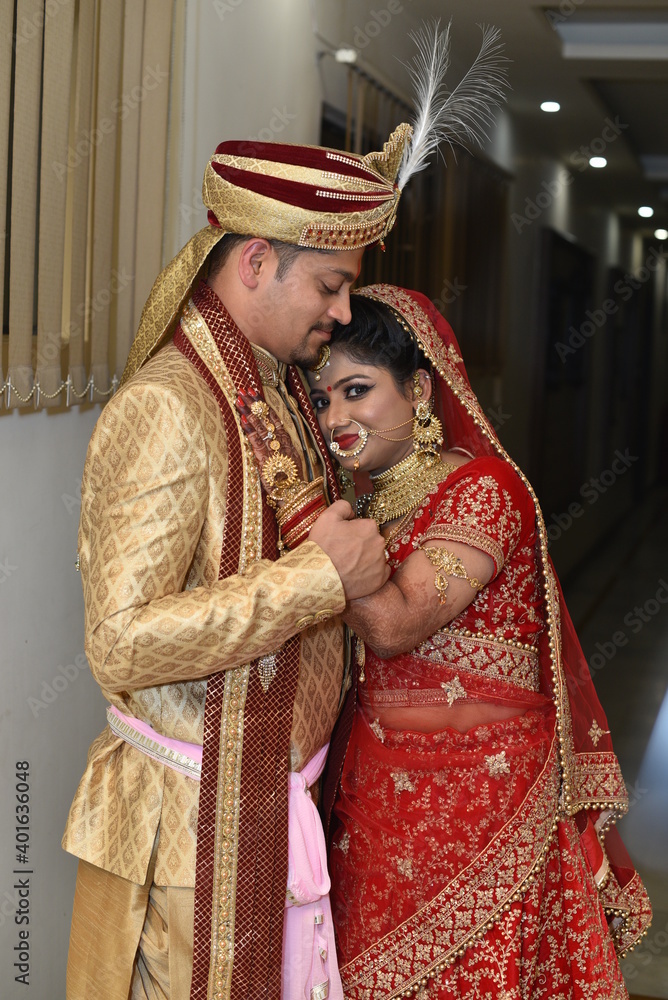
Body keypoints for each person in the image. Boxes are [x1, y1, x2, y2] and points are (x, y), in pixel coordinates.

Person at [61, 131, 425, 1000]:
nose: (343, 313)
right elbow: (119, 643)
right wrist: (315, 580)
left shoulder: (276, 385)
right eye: (330, 286)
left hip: (266, 812)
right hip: (191, 841)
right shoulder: (170, 404)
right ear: (257, 260)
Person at [293, 284, 651, 998]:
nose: (337, 418)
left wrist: (306, 518)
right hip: (377, 808)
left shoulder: (483, 491)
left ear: (420, 388)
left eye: (357, 390)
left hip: (487, 809)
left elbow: (394, 625)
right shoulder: (365, 506)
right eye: (323, 398)